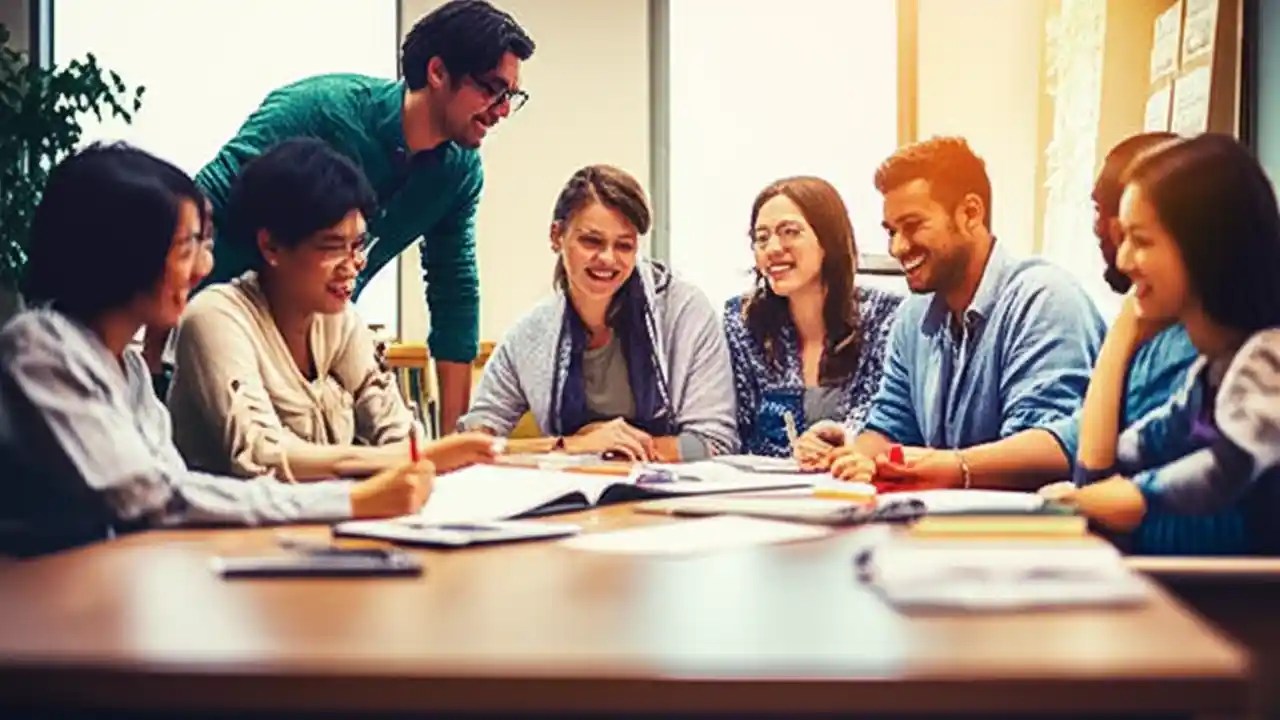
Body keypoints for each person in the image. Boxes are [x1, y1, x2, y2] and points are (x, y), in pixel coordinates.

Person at [0, 144, 431, 554]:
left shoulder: (127, 368)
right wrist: (355, 499)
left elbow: (169, 485)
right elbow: (153, 496)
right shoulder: (39, 351)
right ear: (125, 251)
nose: (204, 266)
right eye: (187, 247)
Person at [145, 0, 536, 435]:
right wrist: (151, 362)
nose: (501, 110)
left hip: (313, 345)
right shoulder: (319, 110)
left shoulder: (458, 172)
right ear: (438, 72)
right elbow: (198, 217)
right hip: (219, 330)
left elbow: (454, 290)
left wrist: (453, 444)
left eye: (510, 96)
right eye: (490, 89)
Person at [167, 139, 496, 480]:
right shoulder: (215, 318)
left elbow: (398, 431)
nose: (353, 265)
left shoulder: (340, 320)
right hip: (227, 529)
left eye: (357, 245)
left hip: (327, 521)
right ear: (271, 246)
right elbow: (261, 454)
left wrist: (417, 456)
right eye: (332, 247)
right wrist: (405, 459)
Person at [1041, 134, 1280, 554]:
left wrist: (1133, 499)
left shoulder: (1269, 360)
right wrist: (1094, 497)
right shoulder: (1211, 373)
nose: (1123, 259)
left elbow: (1228, 468)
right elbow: (1101, 471)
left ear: (1204, 244)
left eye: (1142, 240)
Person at [824, 137, 1105, 490]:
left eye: (912, 226)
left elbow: (1053, 445)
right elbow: (889, 427)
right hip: (945, 528)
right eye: (892, 231)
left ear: (971, 213)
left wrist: (956, 468)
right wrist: (856, 459)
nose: (897, 247)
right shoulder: (913, 316)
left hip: (1030, 533)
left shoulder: (1044, 299)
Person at [458, 165, 738, 460]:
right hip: (572, 497)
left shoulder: (685, 312)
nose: (607, 258)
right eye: (591, 241)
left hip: (669, 497)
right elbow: (473, 440)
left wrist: (611, 450)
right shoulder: (528, 336)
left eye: (624, 245)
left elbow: (715, 441)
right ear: (557, 236)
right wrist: (569, 445)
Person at [723, 176, 902, 457]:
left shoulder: (886, 317)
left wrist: (843, 440)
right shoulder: (742, 321)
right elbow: (736, 430)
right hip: (765, 492)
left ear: (828, 240)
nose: (772, 248)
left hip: (856, 483)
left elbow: (888, 417)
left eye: (790, 232)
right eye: (761, 238)